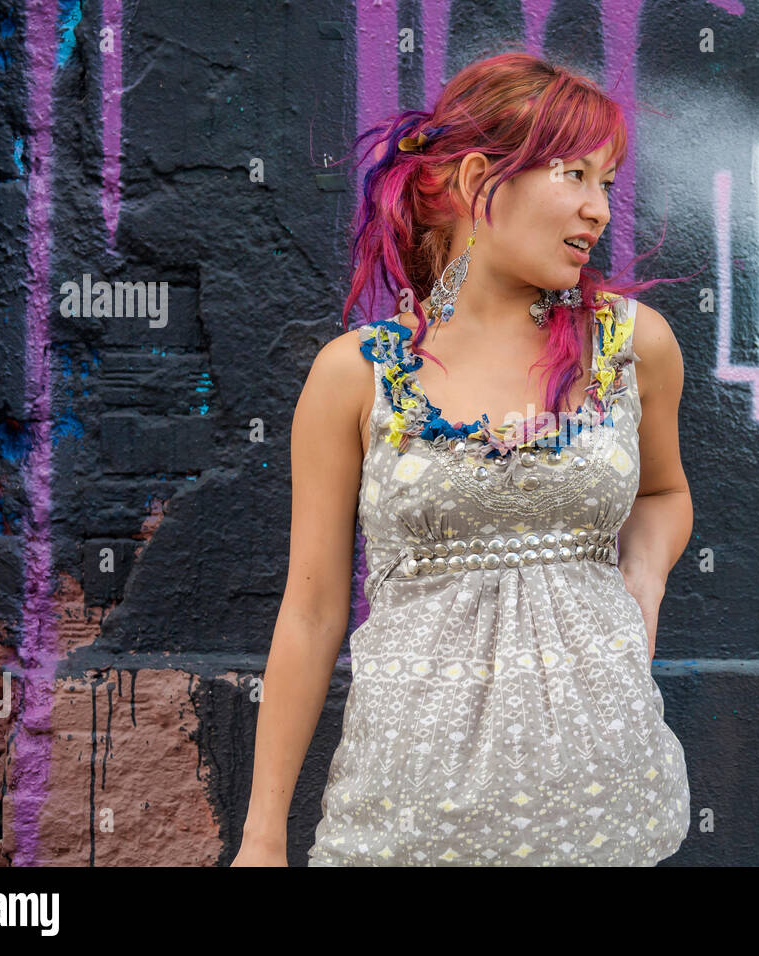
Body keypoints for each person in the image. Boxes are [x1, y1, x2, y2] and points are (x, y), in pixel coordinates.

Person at [232, 52, 693, 866]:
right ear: (482, 179)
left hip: (604, 814)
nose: (598, 210)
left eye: (608, 183)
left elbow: (662, 493)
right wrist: (263, 839)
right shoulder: (356, 375)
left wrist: (641, 586)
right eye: (573, 175)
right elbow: (309, 614)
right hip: (407, 822)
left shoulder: (632, 347)